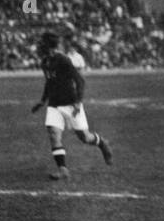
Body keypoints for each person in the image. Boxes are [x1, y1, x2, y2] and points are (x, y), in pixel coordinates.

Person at [32, 31, 112, 180]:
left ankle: (102, 143)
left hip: (70, 103)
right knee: (54, 135)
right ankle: (63, 170)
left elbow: (80, 81)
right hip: (54, 105)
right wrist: (42, 101)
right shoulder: (45, 62)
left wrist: (77, 102)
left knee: (85, 137)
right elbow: (49, 83)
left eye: (42, 43)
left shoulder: (63, 60)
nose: (39, 46)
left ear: (49, 46)